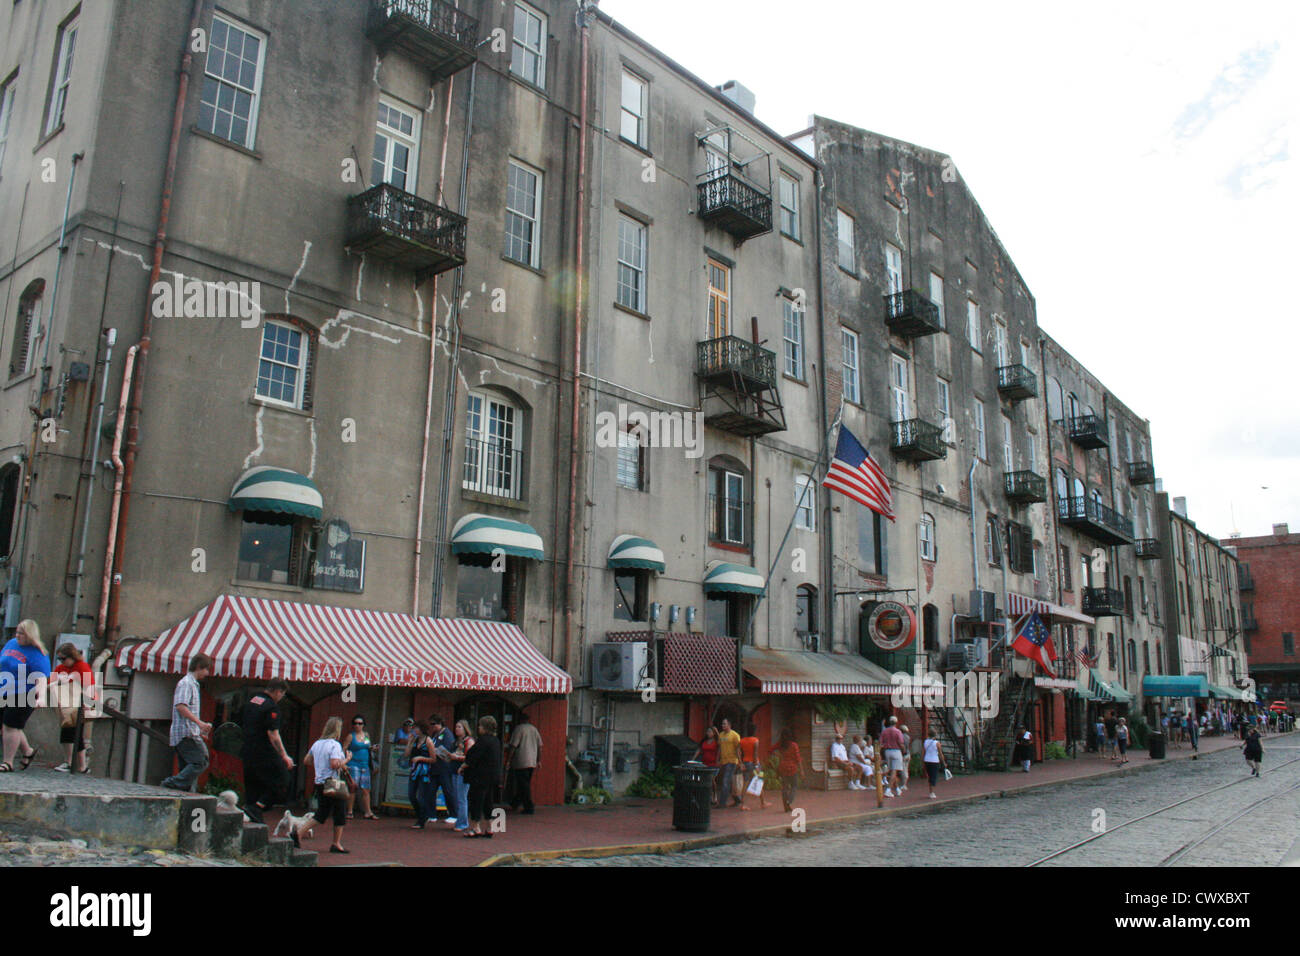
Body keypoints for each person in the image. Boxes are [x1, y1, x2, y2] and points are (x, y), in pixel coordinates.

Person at [239, 678, 295, 823]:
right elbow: (273, 734)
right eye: (282, 694)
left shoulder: (253, 700)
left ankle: (252, 816)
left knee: (253, 785)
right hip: (263, 751)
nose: (281, 698)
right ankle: (257, 807)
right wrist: (284, 755)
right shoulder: (271, 707)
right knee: (283, 779)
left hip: (247, 749)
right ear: (278, 691)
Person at [0, 620, 51, 773]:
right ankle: (28, 752)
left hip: (24, 693)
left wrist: (41, 697)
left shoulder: (38, 653)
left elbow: (41, 678)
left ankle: (8, 762)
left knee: (11, 726)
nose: (18, 636)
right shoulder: (11, 644)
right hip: (5, 689)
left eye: (21, 633)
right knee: (7, 725)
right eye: (17, 632)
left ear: (30, 635)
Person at [295, 715, 348, 854]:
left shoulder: (317, 743)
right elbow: (334, 764)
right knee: (340, 812)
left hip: (319, 782)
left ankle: (298, 833)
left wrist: (320, 764)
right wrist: (347, 759)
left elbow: (306, 761)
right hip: (332, 782)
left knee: (322, 813)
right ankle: (336, 843)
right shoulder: (335, 745)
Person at [161, 654, 212, 790]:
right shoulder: (186, 683)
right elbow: (181, 706)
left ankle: (184, 792)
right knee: (201, 761)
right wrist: (199, 723)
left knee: (188, 767)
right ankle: (171, 783)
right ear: (199, 667)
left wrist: (199, 728)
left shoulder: (191, 684)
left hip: (186, 731)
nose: (207, 673)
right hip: (186, 732)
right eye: (206, 669)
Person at [53, 643, 94, 774]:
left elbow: (89, 686)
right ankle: (73, 763)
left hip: (79, 704)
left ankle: (76, 764)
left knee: (76, 733)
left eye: (63, 658)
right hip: (67, 704)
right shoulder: (61, 668)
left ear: (72, 656)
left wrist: (87, 705)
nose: (62, 662)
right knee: (67, 733)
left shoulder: (82, 667)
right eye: (59, 659)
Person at [461, 715, 503, 838]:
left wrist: (463, 766)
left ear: (484, 727)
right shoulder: (496, 741)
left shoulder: (482, 741)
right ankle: (490, 827)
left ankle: (476, 827)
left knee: (476, 801)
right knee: (488, 801)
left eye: (480, 725)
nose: (478, 728)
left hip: (480, 776)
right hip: (492, 776)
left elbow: (472, 757)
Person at [504, 711, 542, 815]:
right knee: (525, 783)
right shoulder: (534, 729)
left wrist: (508, 760)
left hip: (521, 761)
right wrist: (538, 760)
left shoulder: (519, 729)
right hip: (532, 761)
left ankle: (529, 807)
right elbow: (540, 746)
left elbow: (513, 746)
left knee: (523, 785)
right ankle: (515, 802)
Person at [344, 714, 378, 820]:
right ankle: (350, 811)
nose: (358, 725)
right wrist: (345, 760)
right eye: (355, 723)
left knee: (366, 789)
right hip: (353, 763)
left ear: (363, 725)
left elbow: (368, 746)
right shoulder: (351, 736)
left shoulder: (366, 735)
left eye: (360, 723)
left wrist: (373, 748)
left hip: (364, 764)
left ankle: (368, 811)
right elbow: (344, 748)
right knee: (353, 787)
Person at [426, 714, 457, 823]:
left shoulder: (447, 734)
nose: (432, 726)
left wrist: (434, 750)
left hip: (444, 767)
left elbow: (447, 750)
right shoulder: (434, 734)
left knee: (447, 791)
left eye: (433, 724)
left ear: (440, 723)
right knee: (430, 790)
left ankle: (454, 814)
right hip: (434, 767)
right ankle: (431, 814)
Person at [445, 718, 474, 831]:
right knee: (456, 797)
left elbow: (470, 757)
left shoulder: (468, 741)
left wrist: (457, 757)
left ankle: (463, 823)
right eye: (456, 727)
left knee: (462, 798)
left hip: (463, 772)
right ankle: (459, 819)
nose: (456, 729)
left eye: (459, 727)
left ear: (465, 728)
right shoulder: (456, 742)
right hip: (454, 770)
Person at [405, 719, 435, 828]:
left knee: (422, 796)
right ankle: (421, 815)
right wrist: (409, 742)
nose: (414, 730)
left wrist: (421, 758)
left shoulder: (428, 741)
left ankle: (421, 820)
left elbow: (433, 758)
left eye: (416, 728)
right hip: (414, 770)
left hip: (424, 771)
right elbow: (406, 754)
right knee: (411, 795)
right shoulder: (415, 740)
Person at [774, 727, 803, 814]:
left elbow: (770, 750)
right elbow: (798, 759)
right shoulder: (794, 745)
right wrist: (802, 770)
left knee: (785, 787)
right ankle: (789, 801)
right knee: (794, 786)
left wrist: (778, 756)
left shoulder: (780, 744)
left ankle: (786, 807)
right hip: (792, 767)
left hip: (783, 767)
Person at [737, 724, 766, 810]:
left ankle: (742, 804)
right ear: (754, 731)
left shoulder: (742, 741)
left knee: (745, 782)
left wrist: (740, 762)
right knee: (759, 781)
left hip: (745, 762)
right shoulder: (755, 740)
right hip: (754, 763)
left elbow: (738, 751)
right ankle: (763, 802)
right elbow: (755, 754)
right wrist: (756, 765)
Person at [716, 718, 743, 808]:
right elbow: (719, 748)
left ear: (729, 725)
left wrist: (740, 761)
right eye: (722, 724)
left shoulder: (735, 735)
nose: (723, 725)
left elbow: (738, 749)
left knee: (725, 781)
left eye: (724, 724)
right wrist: (718, 759)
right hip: (724, 760)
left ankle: (722, 803)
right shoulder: (721, 735)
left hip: (732, 761)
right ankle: (737, 799)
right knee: (729, 782)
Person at [879, 717, 906, 797]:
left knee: (891, 771)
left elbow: (881, 743)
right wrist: (904, 750)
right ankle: (888, 789)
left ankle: (897, 789)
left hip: (887, 751)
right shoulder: (898, 732)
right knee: (894, 771)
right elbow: (901, 743)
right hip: (896, 751)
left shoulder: (884, 731)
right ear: (896, 723)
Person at [692, 725, 719, 804]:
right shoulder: (704, 741)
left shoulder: (717, 742)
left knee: (711, 779)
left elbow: (720, 748)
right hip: (705, 763)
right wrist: (693, 758)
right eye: (707, 732)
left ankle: (714, 795)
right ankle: (708, 796)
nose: (708, 733)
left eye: (710, 732)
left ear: (714, 733)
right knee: (705, 779)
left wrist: (718, 761)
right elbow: (699, 749)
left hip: (713, 764)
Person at [922, 728, 947, 799]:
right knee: (933, 776)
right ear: (935, 735)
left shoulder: (925, 742)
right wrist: (944, 762)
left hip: (927, 760)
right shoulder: (937, 743)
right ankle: (931, 792)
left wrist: (922, 761)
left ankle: (931, 791)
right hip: (934, 761)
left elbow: (923, 752)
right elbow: (940, 754)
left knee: (930, 776)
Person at [899, 724, 912, 793]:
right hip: (908, 754)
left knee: (903, 770)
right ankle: (905, 783)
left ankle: (904, 784)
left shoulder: (901, 737)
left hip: (903, 754)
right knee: (906, 769)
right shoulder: (908, 737)